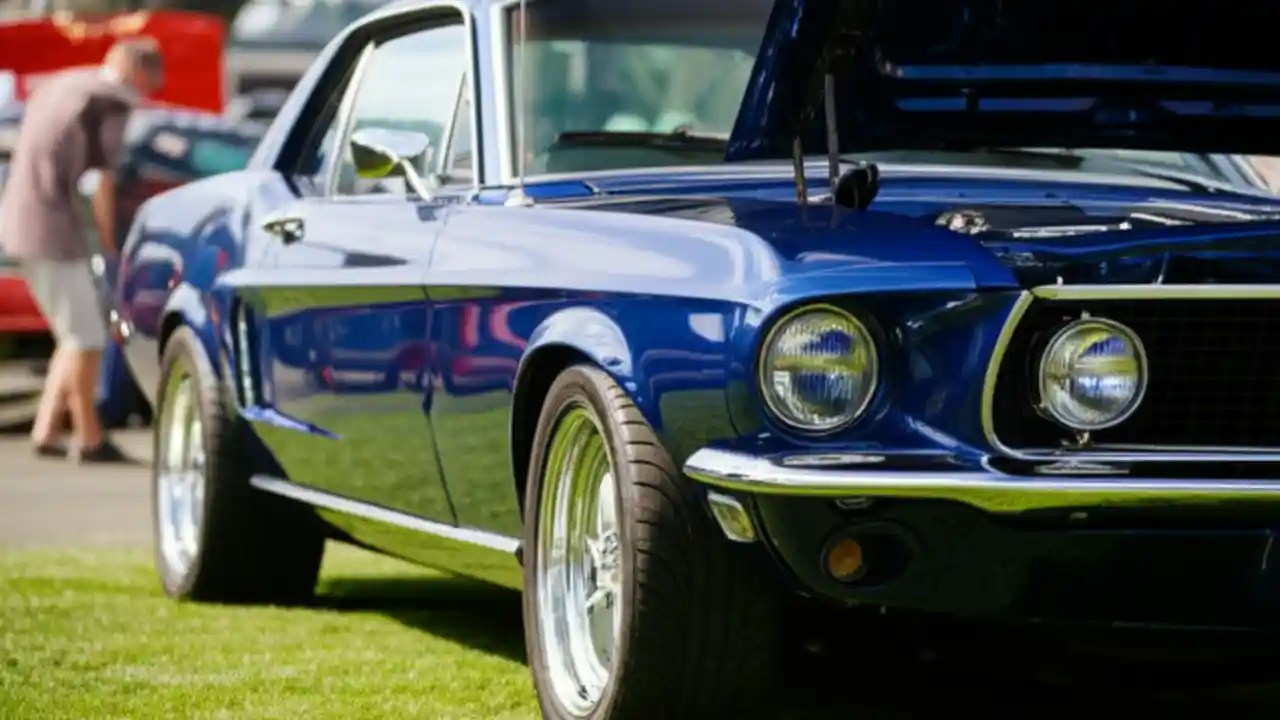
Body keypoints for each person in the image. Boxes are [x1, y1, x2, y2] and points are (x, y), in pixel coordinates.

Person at [0, 37, 164, 463]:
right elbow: (101, 181)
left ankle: (47, 428)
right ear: (139, 71)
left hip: (19, 221)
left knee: (70, 333)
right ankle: (90, 437)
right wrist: (110, 245)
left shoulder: (65, 84)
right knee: (87, 336)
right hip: (55, 230)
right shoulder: (110, 101)